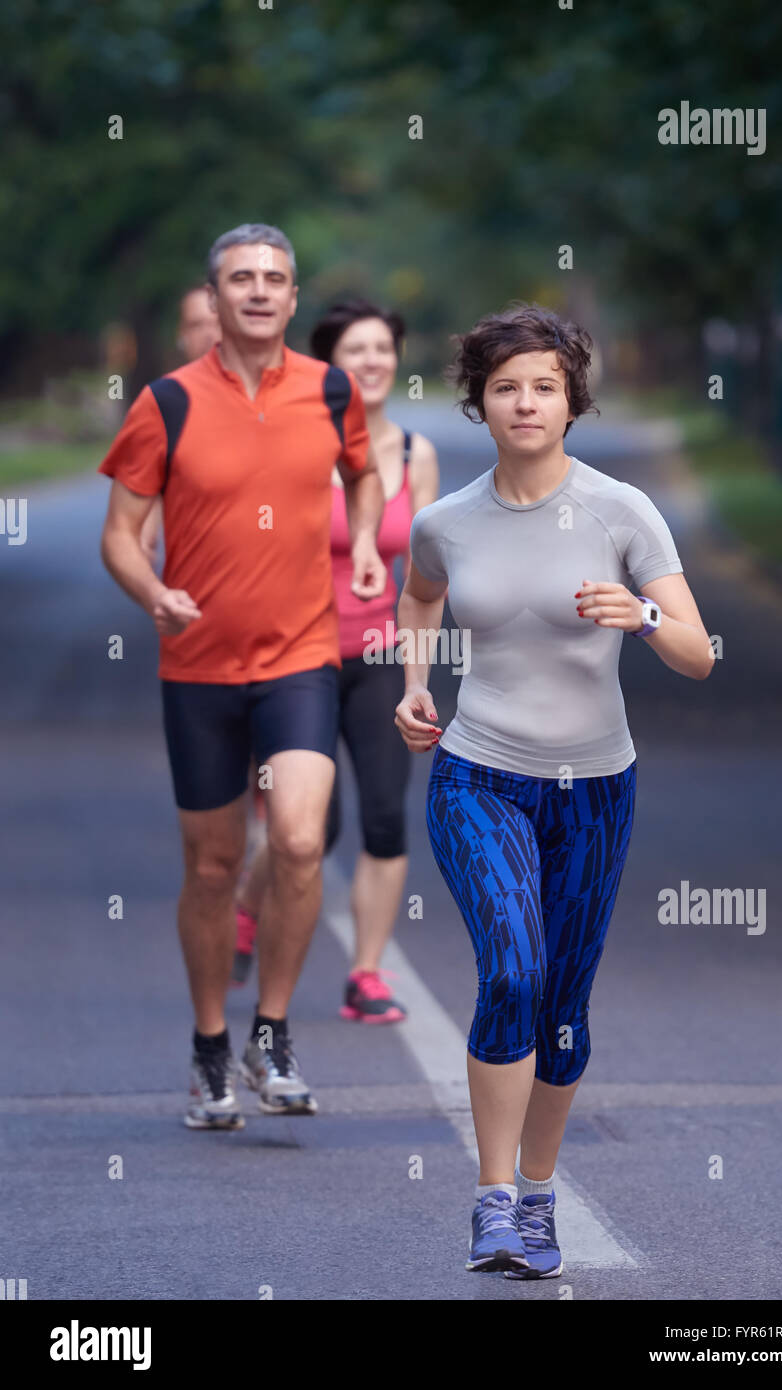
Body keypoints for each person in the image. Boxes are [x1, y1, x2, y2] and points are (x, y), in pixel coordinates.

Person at [395, 304, 714, 1277]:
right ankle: (492, 1202)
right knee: (514, 971)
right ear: (479, 403)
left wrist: (644, 610)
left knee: (565, 1005)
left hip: (594, 792)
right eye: (506, 387)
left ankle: (539, 1198)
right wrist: (416, 684)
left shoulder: (622, 510)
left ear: (572, 400)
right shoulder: (445, 522)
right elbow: (418, 597)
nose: (525, 402)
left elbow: (700, 655)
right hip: (479, 775)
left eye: (544, 385)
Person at [99, 223, 386, 1130]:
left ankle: (272, 1032)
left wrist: (370, 541)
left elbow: (366, 474)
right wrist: (153, 591)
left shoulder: (330, 389)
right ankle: (210, 1045)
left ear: (294, 298)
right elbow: (120, 532)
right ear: (214, 299)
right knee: (215, 864)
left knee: (300, 842)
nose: (258, 291)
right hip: (198, 667)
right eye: (240, 278)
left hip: (303, 654)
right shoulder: (167, 402)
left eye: (274, 278)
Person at [233, 299, 439, 1023]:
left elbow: (428, 574)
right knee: (310, 831)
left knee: (385, 817)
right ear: (328, 365)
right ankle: (249, 910)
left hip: (381, 655)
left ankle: (366, 974)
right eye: (357, 350)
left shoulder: (416, 454)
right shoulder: (295, 444)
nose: (373, 362)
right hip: (300, 658)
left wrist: (420, 675)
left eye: (384, 348)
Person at [139, 285, 221, 568]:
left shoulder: (270, 398)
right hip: (195, 586)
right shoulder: (162, 406)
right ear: (181, 335)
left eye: (218, 322)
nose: (210, 334)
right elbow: (143, 500)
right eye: (197, 325)